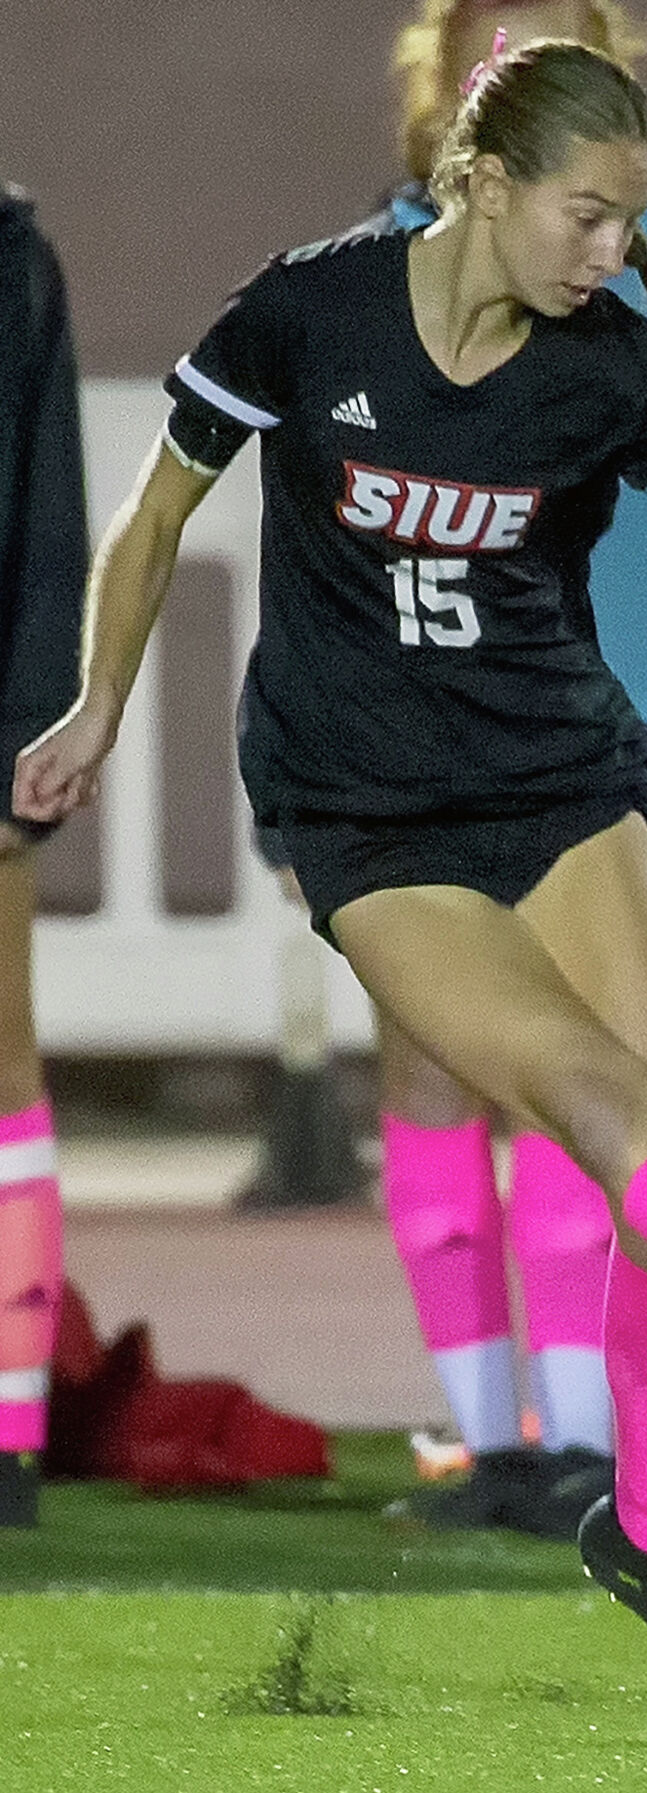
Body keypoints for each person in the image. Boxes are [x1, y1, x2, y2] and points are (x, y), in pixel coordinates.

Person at [13, 42, 647, 1709]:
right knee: (609, 1116)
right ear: (481, 181)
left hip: (561, 781)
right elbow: (153, 507)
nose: (613, 252)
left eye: (630, 223)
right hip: (366, 819)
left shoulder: (615, 367)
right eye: (589, 215)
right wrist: (99, 697)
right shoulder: (309, 312)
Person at [352, 0, 647, 1541]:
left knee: (587, 1076)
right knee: (429, 1069)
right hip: (409, 729)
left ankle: (593, 1443)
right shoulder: (373, 267)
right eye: (490, 42)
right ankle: (495, 1446)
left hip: (617, 714)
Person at [0, 185, 89, 1530]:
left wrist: (26, 739)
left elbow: (48, 515)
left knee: (0, 1062)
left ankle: (8, 1432)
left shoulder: (15, 251)